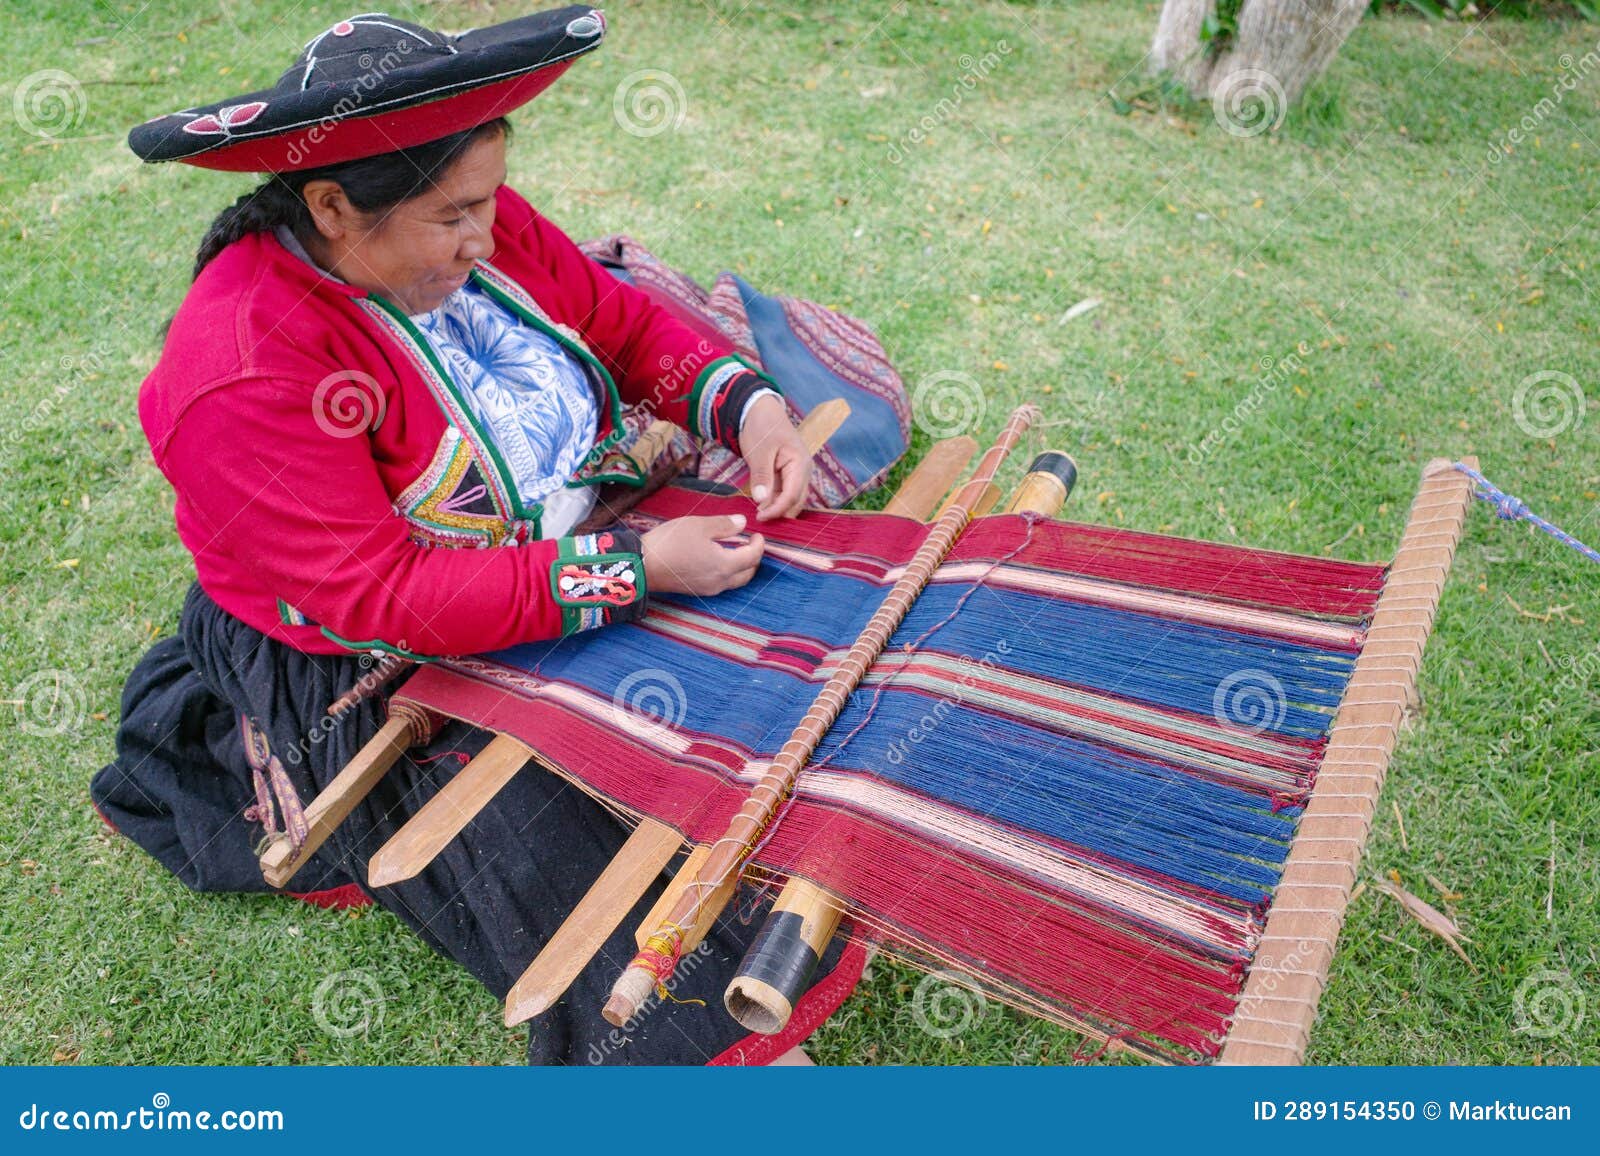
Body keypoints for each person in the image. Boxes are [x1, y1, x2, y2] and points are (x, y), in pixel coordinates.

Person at [93, 5, 865, 1066]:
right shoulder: (241, 366)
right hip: (360, 654)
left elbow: (621, 319)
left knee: (807, 670)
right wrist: (637, 568)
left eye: (489, 202)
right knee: (591, 883)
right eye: (453, 216)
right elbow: (383, 595)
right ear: (331, 205)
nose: (485, 238)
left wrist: (748, 407)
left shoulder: (471, 234)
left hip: (548, 547)